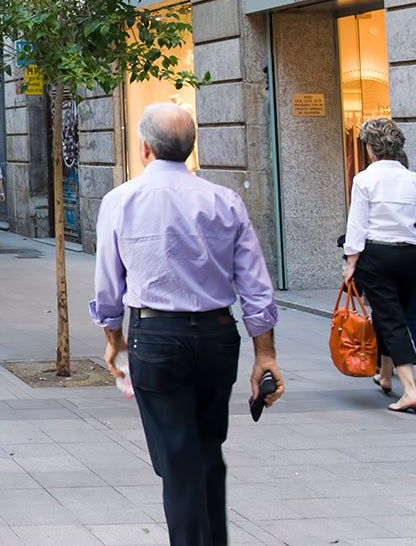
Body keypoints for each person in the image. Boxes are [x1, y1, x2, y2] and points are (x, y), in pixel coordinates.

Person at [91, 103, 284, 545]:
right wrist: (266, 354)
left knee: (179, 458)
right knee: (206, 450)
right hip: (218, 337)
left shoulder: (121, 200)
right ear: (191, 150)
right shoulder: (224, 200)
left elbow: (108, 283)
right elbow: (256, 285)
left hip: (156, 338)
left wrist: (112, 336)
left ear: (144, 149)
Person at [341, 117, 416, 413]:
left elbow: (357, 226)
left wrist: (350, 263)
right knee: (394, 313)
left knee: (390, 319)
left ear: (371, 148)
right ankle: (385, 374)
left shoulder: (364, 179)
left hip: (377, 256)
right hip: (410, 257)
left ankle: (409, 390)